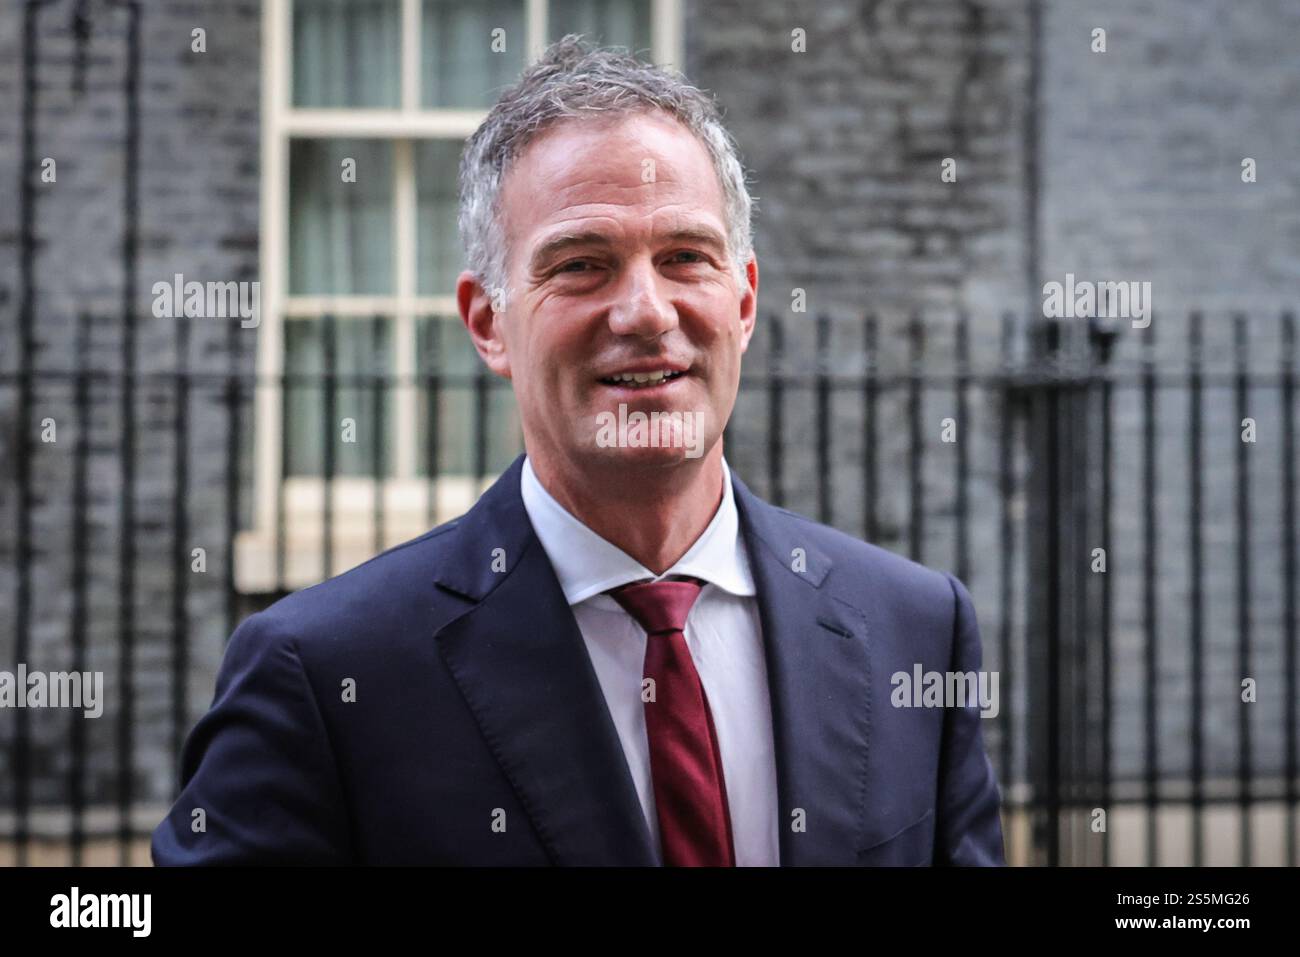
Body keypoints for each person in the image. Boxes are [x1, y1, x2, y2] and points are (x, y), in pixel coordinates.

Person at [152, 35, 1005, 867]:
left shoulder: (916, 631)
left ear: (743, 302)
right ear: (488, 323)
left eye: (684, 257)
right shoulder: (324, 674)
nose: (645, 311)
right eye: (581, 265)